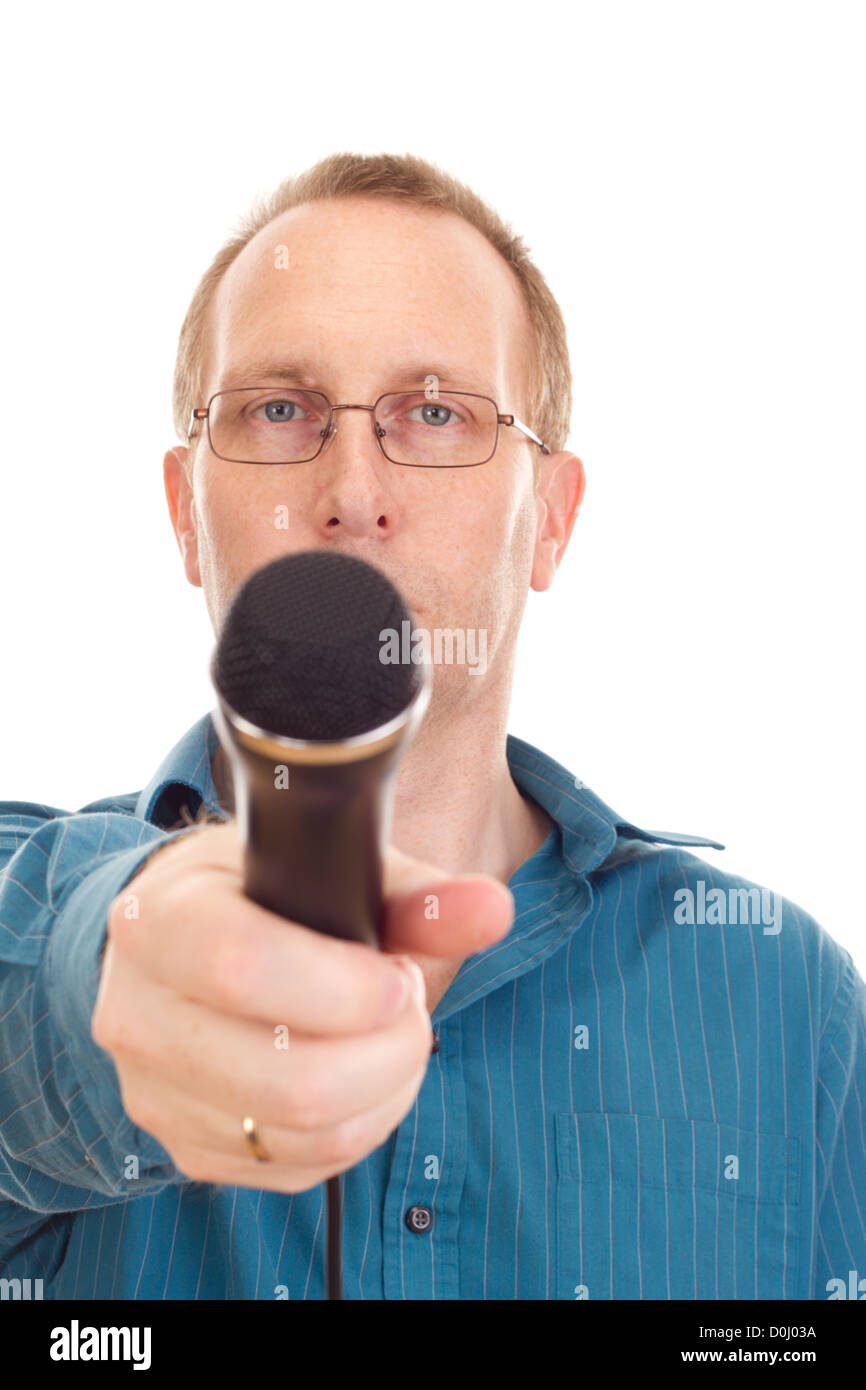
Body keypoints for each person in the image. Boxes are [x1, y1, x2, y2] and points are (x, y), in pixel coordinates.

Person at [1, 153, 863, 1302]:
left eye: (433, 411)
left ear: (549, 520)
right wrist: (110, 982)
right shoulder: (28, 888)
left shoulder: (788, 1001)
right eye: (278, 409)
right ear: (184, 515)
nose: (352, 486)